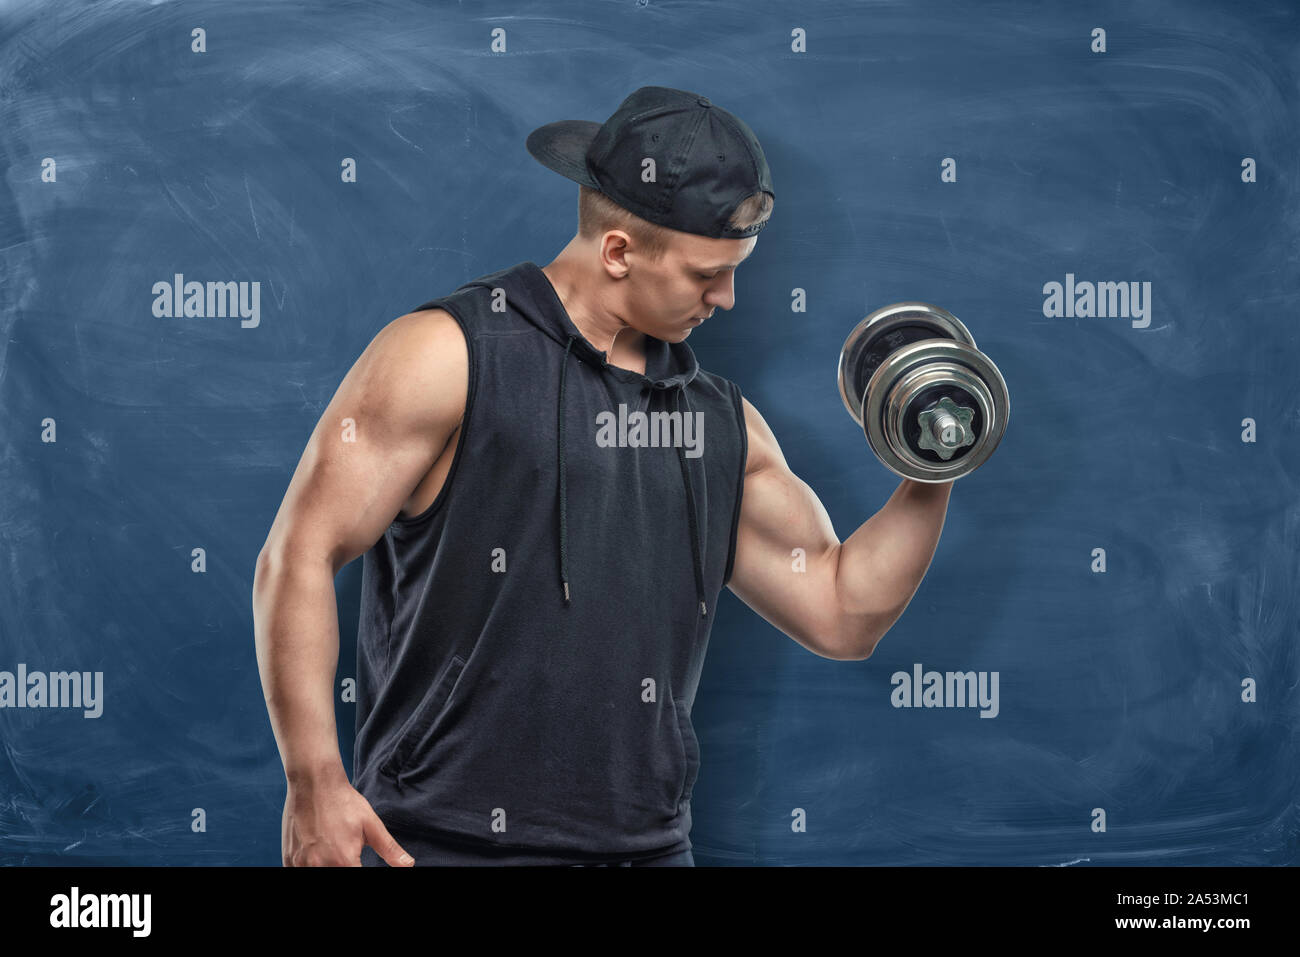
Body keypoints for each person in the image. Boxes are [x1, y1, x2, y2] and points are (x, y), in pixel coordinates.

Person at [252, 86, 954, 867]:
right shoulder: (446, 356)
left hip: (646, 853)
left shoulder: (721, 425)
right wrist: (313, 779)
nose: (726, 298)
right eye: (705, 275)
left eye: (734, 272)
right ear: (618, 251)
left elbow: (842, 610)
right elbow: (298, 554)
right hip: (442, 847)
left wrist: (934, 461)